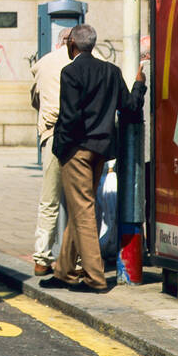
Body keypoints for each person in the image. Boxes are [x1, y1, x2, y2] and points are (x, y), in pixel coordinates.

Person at [43, 25, 147, 292]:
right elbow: (130, 108)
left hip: (76, 150)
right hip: (101, 150)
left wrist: (60, 148)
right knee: (81, 208)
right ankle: (64, 272)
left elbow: (70, 117)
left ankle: (95, 278)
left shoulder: (71, 72)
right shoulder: (111, 71)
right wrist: (139, 85)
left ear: (71, 45)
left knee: (85, 211)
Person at [30, 28, 74, 276]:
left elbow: (35, 98)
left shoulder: (44, 63)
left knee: (49, 200)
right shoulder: (97, 59)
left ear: (59, 42)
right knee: (81, 202)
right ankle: (77, 261)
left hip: (53, 135)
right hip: (83, 138)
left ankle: (42, 258)